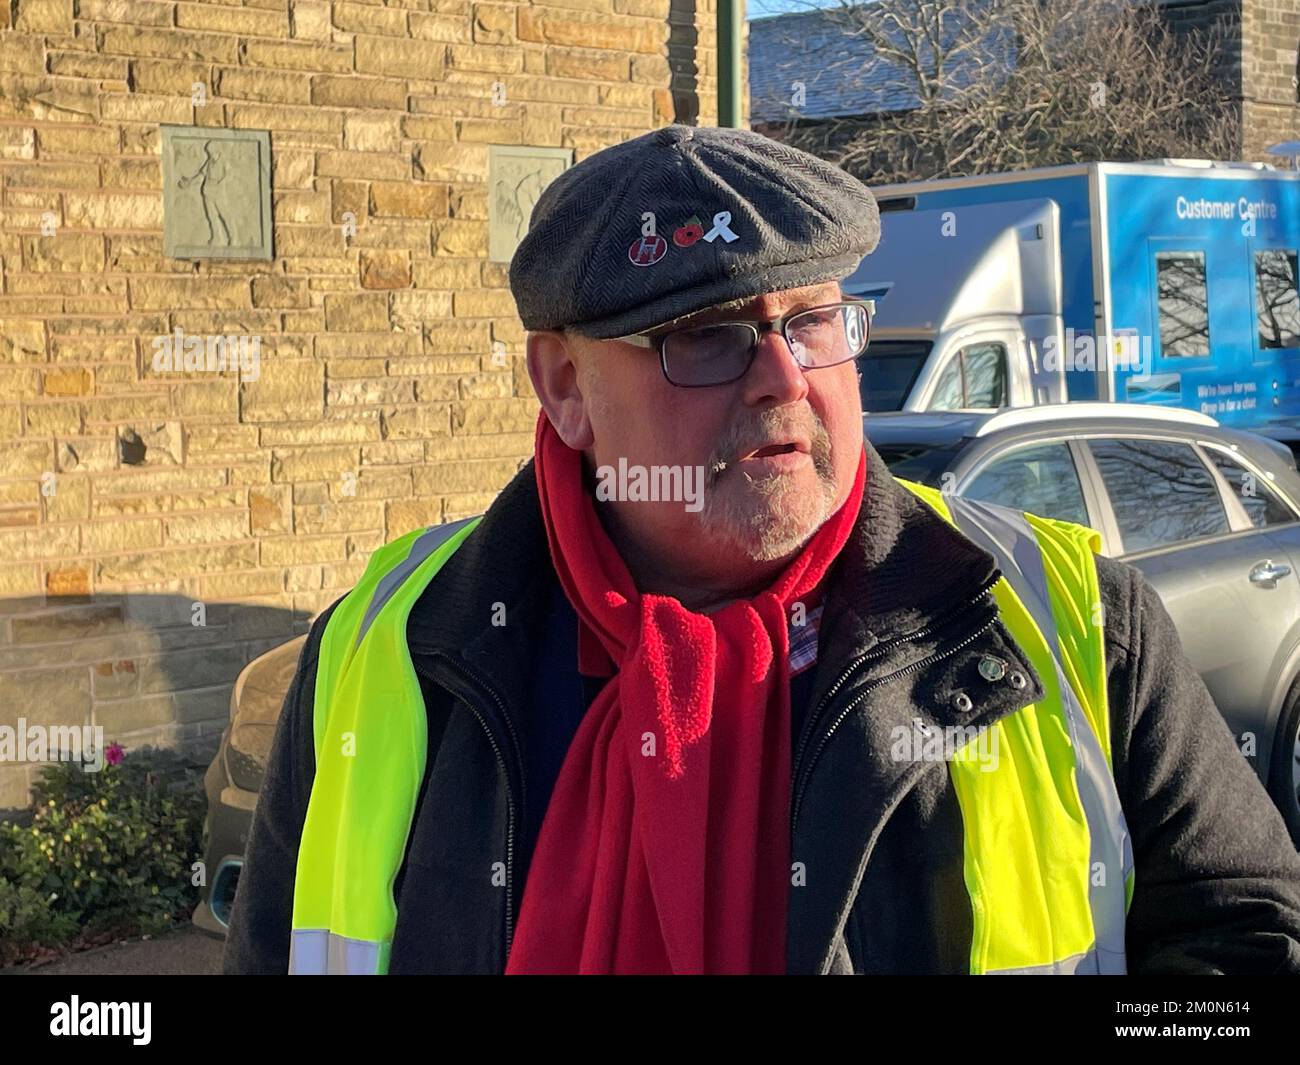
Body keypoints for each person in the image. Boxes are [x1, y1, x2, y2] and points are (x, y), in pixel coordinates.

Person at [224, 124, 1300, 975]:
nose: (784, 380)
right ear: (563, 387)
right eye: (706, 335)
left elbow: (1247, 931)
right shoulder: (397, 645)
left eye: (814, 320)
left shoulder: (1066, 621)